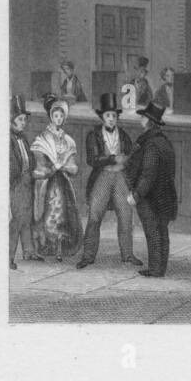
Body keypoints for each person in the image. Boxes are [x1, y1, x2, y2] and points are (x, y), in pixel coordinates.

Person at [78, 92, 142, 269]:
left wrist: (127, 159)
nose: (111, 119)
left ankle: (128, 255)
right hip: (103, 177)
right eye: (108, 115)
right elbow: (92, 160)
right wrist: (113, 159)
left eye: (114, 116)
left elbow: (131, 156)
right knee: (94, 215)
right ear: (102, 117)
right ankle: (88, 256)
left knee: (126, 215)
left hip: (120, 177)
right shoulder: (93, 136)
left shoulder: (123, 135)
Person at [125, 100, 178, 277]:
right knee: (162, 232)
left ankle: (155, 269)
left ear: (149, 121)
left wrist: (137, 194)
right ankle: (160, 268)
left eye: (144, 118)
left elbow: (148, 174)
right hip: (165, 195)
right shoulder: (163, 141)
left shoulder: (151, 144)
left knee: (153, 232)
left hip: (151, 197)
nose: (141, 120)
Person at [31, 96, 81, 261]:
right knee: (50, 212)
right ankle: (48, 245)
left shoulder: (68, 141)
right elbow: (38, 168)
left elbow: (74, 168)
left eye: (61, 116)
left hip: (63, 183)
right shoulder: (42, 138)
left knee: (63, 213)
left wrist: (64, 166)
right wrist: (51, 168)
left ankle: (60, 248)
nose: (58, 119)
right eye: (55, 116)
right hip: (48, 183)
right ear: (51, 117)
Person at [9, 96, 43, 268]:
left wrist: (33, 171)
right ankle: (8, 257)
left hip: (27, 181)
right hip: (16, 183)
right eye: (20, 119)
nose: (24, 123)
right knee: (17, 219)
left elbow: (30, 159)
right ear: (11, 120)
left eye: (25, 119)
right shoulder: (8, 139)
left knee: (28, 217)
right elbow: (11, 166)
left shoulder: (23, 138)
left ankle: (29, 251)